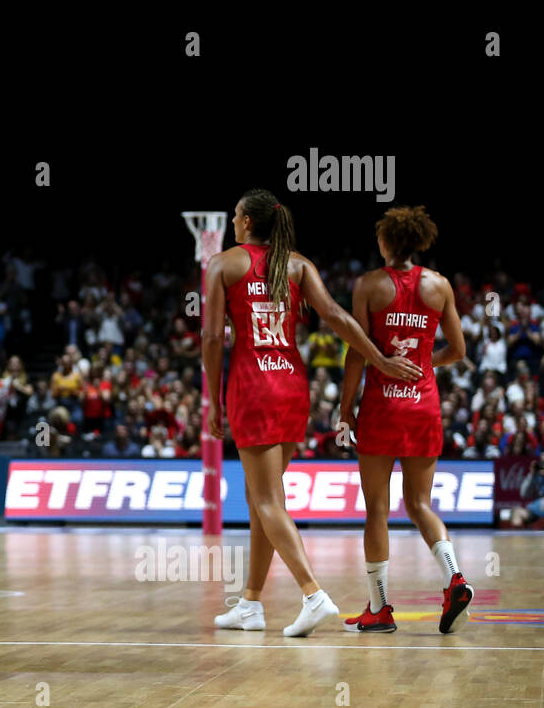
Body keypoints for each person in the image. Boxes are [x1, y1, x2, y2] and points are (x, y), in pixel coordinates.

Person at [203, 191, 420, 636]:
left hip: (253, 386)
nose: (231, 220)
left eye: (234, 215)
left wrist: (213, 397)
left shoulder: (223, 265)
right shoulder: (298, 265)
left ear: (245, 223)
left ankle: (313, 594)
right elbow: (337, 316)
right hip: (291, 384)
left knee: (265, 501)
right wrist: (379, 358)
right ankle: (250, 603)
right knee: (264, 500)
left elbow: (210, 337)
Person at [339, 206, 474, 634]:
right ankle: (455, 578)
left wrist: (345, 407)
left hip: (382, 408)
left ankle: (379, 609)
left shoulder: (369, 285)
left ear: (385, 241)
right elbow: (458, 350)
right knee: (419, 505)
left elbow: (357, 350)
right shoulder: (439, 286)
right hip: (423, 405)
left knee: (377, 510)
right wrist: (422, 364)